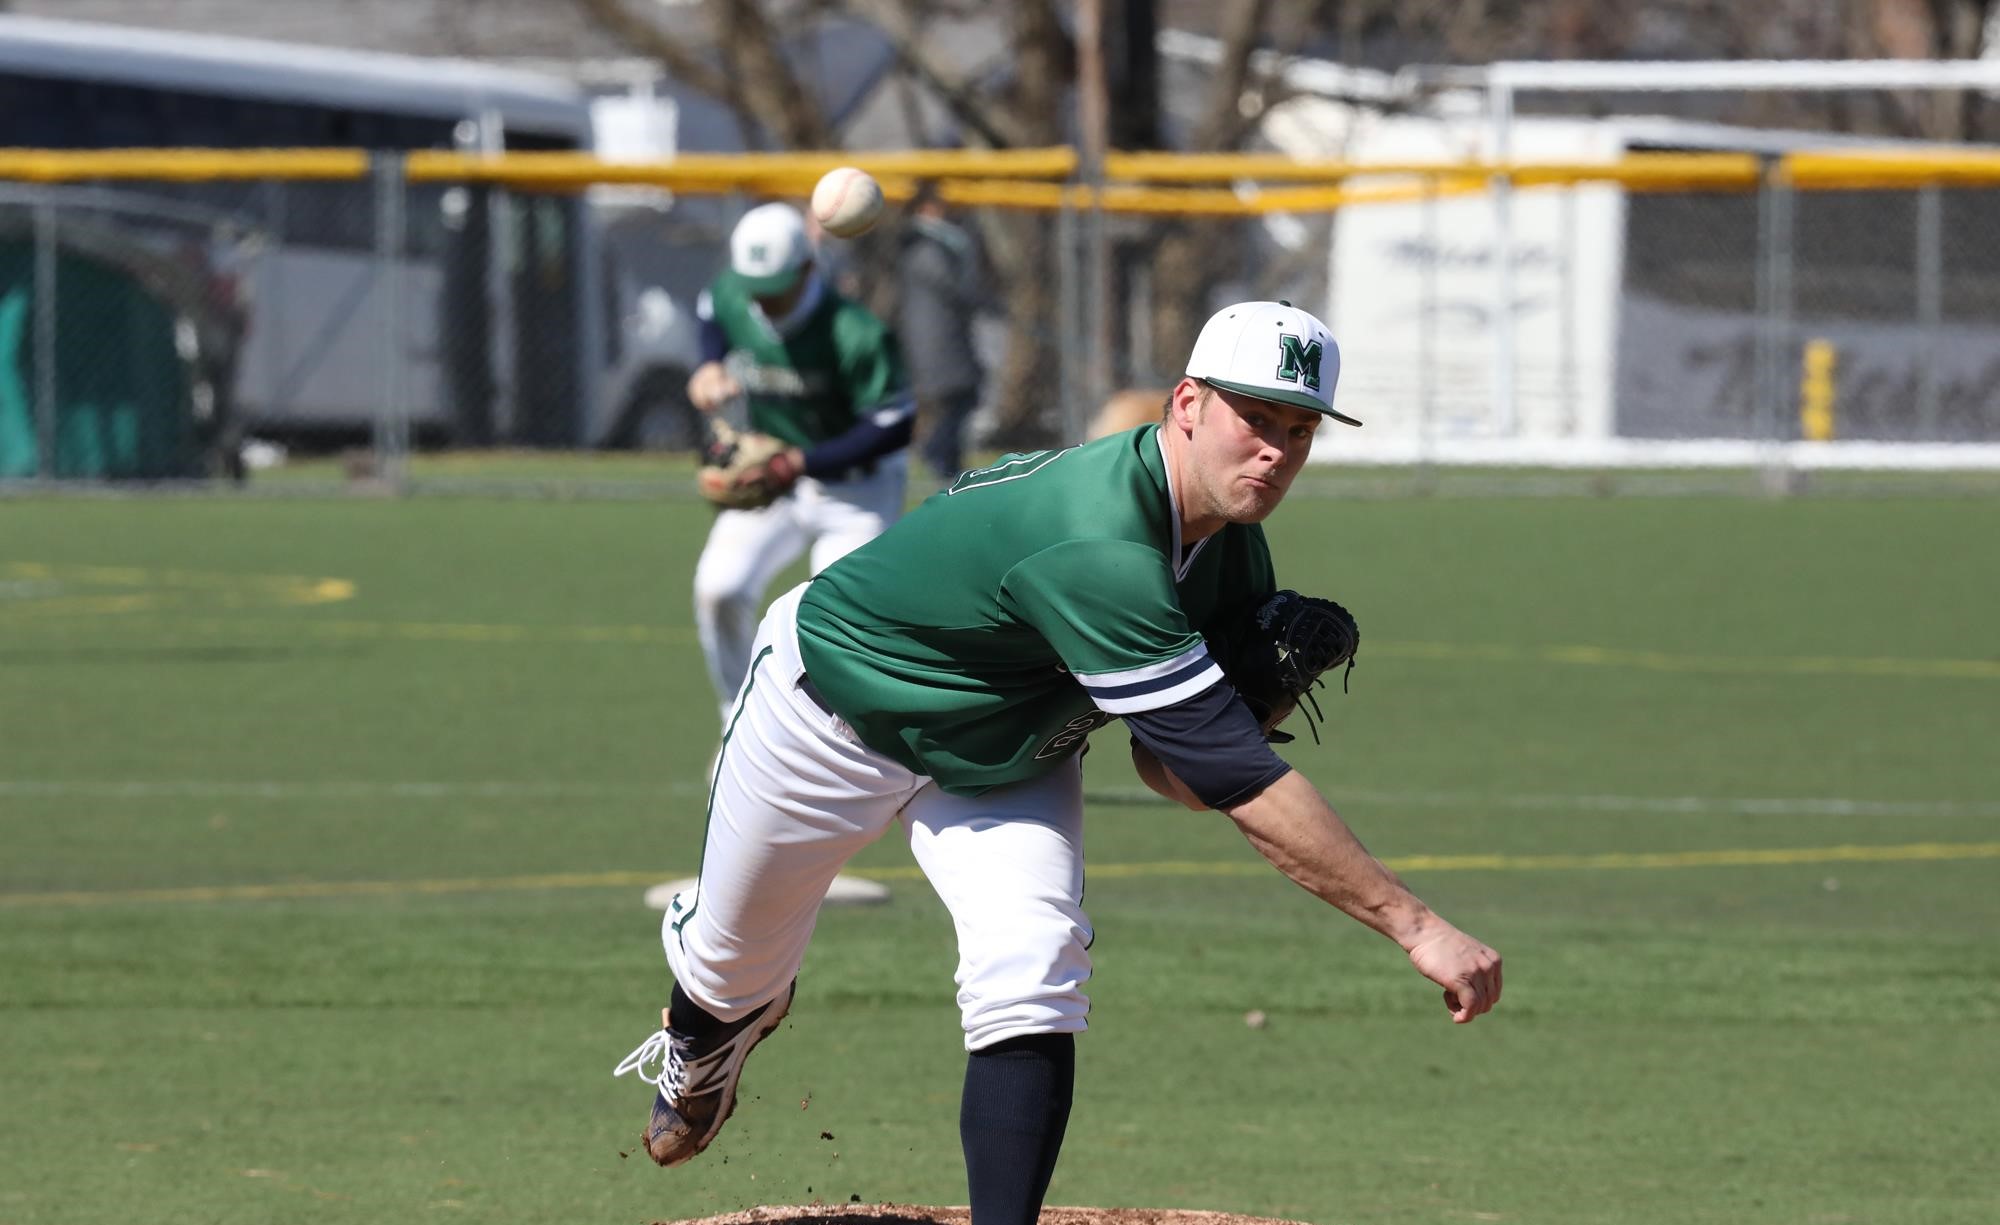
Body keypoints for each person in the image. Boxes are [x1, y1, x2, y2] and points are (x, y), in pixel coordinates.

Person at [616, 301, 1503, 1222]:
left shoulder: (1233, 549)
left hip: (1008, 750)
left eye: (1298, 428)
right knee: (730, 970)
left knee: (1033, 960)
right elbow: (1243, 785)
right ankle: (710, 1034)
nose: (1275, 450)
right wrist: (1415, 923)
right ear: (1187, 403)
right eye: (1254, 418)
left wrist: (1255, 700)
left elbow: (1181, 775)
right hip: (832, 716)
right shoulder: (1100, 542)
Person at [684, 201, 915, 724]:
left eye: (774, 287)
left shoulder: (855, 332)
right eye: (753, 288)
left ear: (809, 269)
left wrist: (800, 461)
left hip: (856, 492)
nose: (760, 300)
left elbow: (892, 426)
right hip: (777, 486)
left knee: (836, 619)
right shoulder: (735, 294)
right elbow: (710, 309)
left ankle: (847, 741)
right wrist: (707, 365)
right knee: (719, 587)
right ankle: (738, 720)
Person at [895, 182, 986, 482]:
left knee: (964, 397)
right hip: (937, 340)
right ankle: (937, 452)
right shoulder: (925, 246)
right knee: (960, 398)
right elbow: (952, 287)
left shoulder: (940, 244)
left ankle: (948, 460)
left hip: (948, 337)